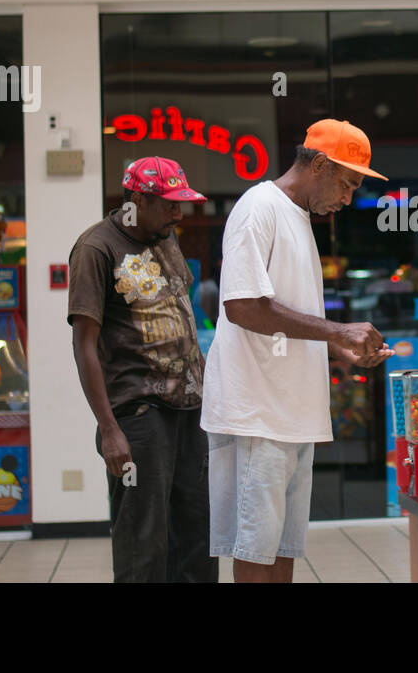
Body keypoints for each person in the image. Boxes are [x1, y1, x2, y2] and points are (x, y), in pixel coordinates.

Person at [203, 119, 393, 583]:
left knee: (282, 548)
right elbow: (244, 307)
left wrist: (337, 345)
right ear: (321, 165)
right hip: (257, 413)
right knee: (254, 548)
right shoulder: (258, 207)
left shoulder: (299, 218)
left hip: (290, 414)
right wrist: (337, 330)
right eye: (347, 184)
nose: (348, 200)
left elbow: (287, 316)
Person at [67, 156, 218, 583]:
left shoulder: (164, 235)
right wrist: (109, 428)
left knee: (198, 535)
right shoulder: (96, 248)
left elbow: (181, 318)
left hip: (190, 410)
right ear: (137, 199)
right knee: (143, 542)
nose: (178, 213)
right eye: (169, 204)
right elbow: (84, 346)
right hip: (138, 414)